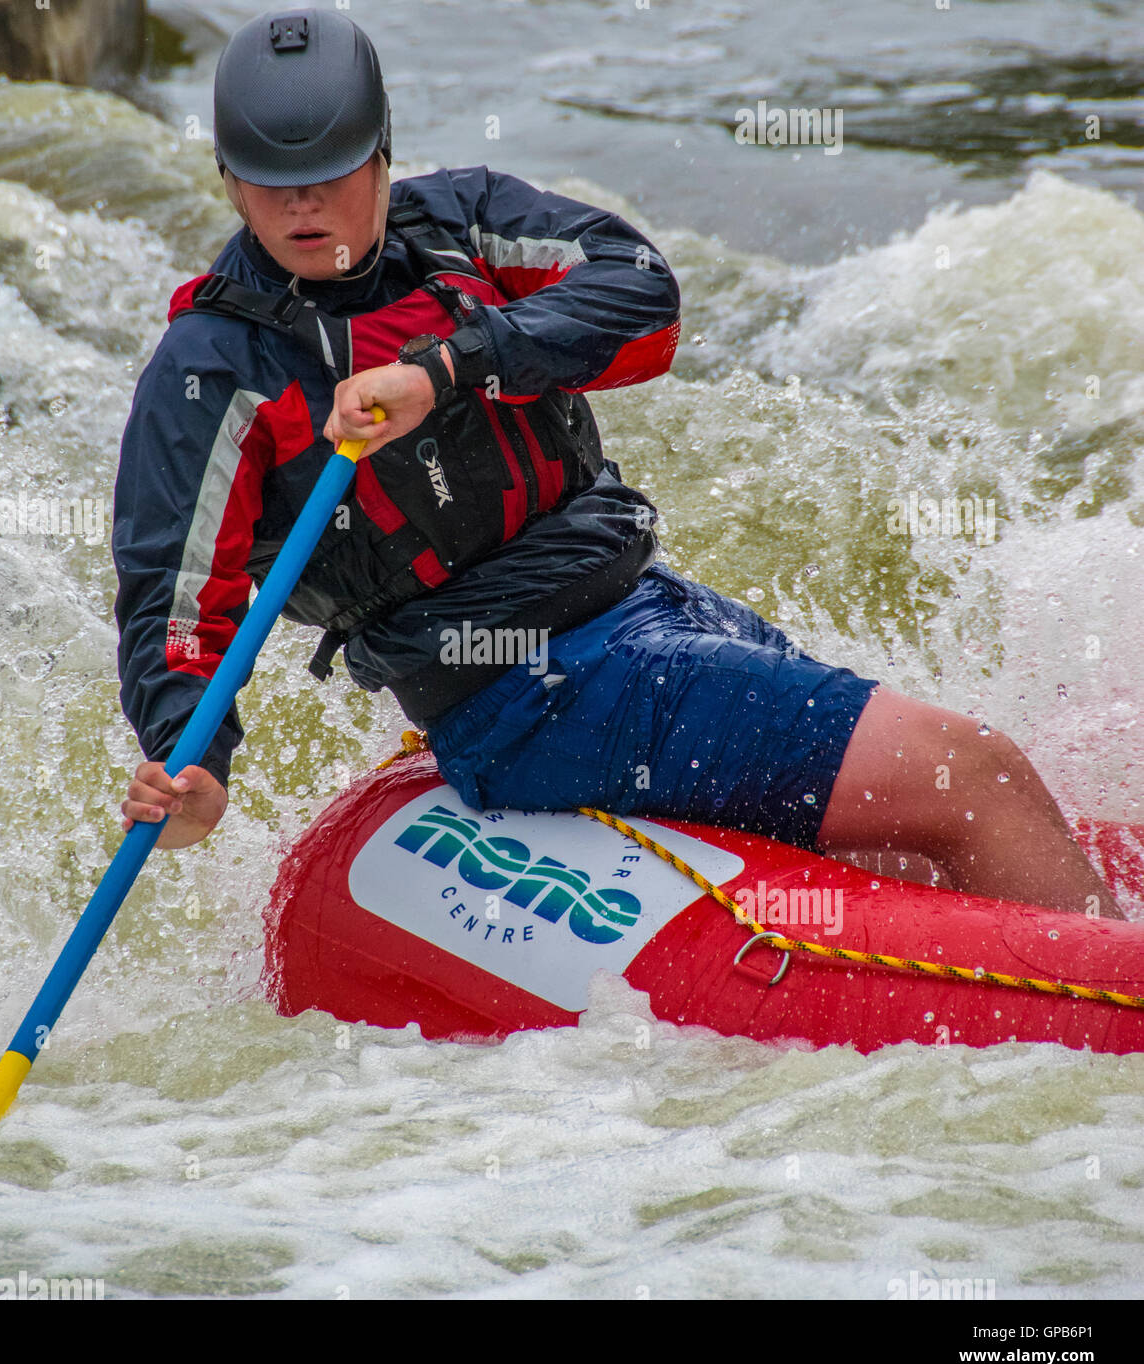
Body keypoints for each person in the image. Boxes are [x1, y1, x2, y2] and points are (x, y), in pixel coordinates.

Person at [114, 8, 1123, 920]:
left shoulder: (461, 223)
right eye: (270, 181)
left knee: (913, 837)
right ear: (228, 177)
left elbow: (640, 292)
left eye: (330, 172)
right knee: (970, 773)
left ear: (382, 156)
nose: (302, 207)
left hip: (647, 610)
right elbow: (173, 593)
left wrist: (450, 368)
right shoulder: (212, 368)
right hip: (523, 694)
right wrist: (193, 767)